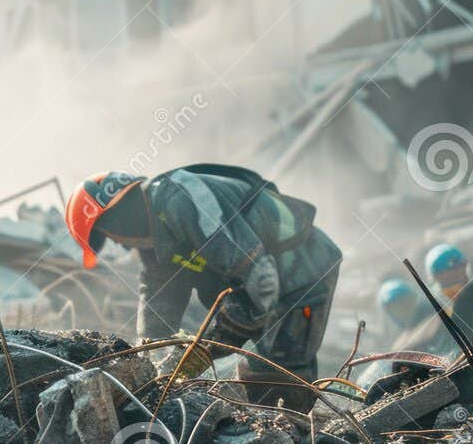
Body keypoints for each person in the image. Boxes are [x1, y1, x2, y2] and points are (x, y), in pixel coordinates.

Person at [65, 164, 342, 410]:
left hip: (303, 271)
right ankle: (285, 442)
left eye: (110, 237)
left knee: (278, 371)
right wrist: (146, 361)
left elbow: (262, 279)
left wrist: (208, 348)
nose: (120, 245)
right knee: (259, 380)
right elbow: (159, 303)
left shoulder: (181, 200)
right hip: (267, 283)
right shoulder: (158, 243)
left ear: (116, 217)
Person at [425, 243, 473, 341]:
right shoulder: (432, 306)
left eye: (462, 264)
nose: (461, 270)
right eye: (452, 266)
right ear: (437, 275)